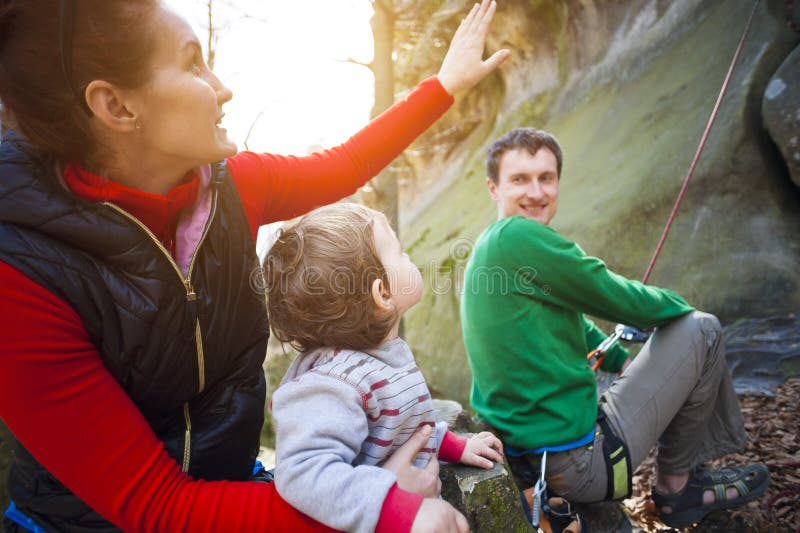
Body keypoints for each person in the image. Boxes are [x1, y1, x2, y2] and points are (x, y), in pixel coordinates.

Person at [0, 0, 509, 530]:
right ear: (117, 106)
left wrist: (446, 85)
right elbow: (157, 508)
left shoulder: (231, 187)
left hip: (243, 494)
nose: (222, 87)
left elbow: (345, 165)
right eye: (193, 62)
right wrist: (383, 504)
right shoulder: (19, 277)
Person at [460, 127, 770, 529]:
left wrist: (622, 361)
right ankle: (679, 489)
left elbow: (571, 314)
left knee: (688, 336)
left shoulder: (489, 246)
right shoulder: (520, 236)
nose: (536, 192)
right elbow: (605, 288)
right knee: (703, 330)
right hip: (577, 466)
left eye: (546, 178)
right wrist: (679, 310)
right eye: (520, 179)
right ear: (493, 188)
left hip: (530, 454)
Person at [264, 203, 504, 533]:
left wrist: (456, 446)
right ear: (383, 294)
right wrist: (397, 509)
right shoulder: (333, 383)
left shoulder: (378, 358)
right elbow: (303, 472)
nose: (409, 258)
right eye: (400, 253)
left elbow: (401, 427)